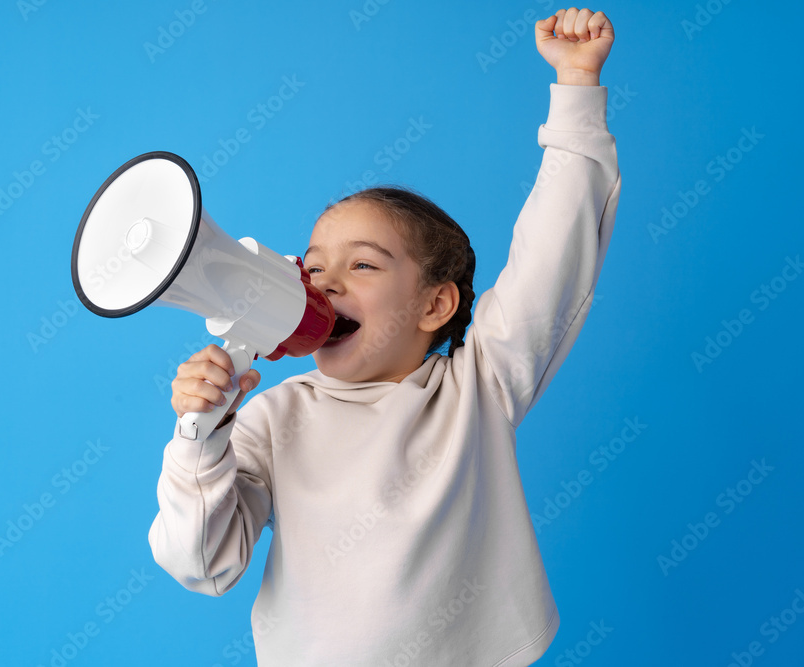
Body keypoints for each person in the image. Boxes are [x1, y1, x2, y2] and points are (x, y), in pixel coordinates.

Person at [150, 8, 620, 666]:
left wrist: (575, 85)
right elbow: (202, 562)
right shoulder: (272, 418)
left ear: (436, 303)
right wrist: (200, 438)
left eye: (363, 264)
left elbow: (555, 250)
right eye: (313, 267)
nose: (328, 282)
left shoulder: (476, 386)